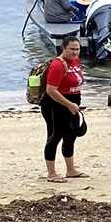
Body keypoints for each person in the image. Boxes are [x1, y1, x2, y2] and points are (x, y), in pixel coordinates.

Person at [40, 35, 89, 183]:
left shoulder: (75, 61)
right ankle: (51, 173)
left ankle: (71, 170)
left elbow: (75, 83)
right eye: (71, 49)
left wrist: (75, 103)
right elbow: (51, 90)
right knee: (55, 136)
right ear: (63, 49)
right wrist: (69, 104)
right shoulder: (58, 65)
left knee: (71, 135)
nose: (75, 52)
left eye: (77, 49)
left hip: (72, 102)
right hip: (55, 103)